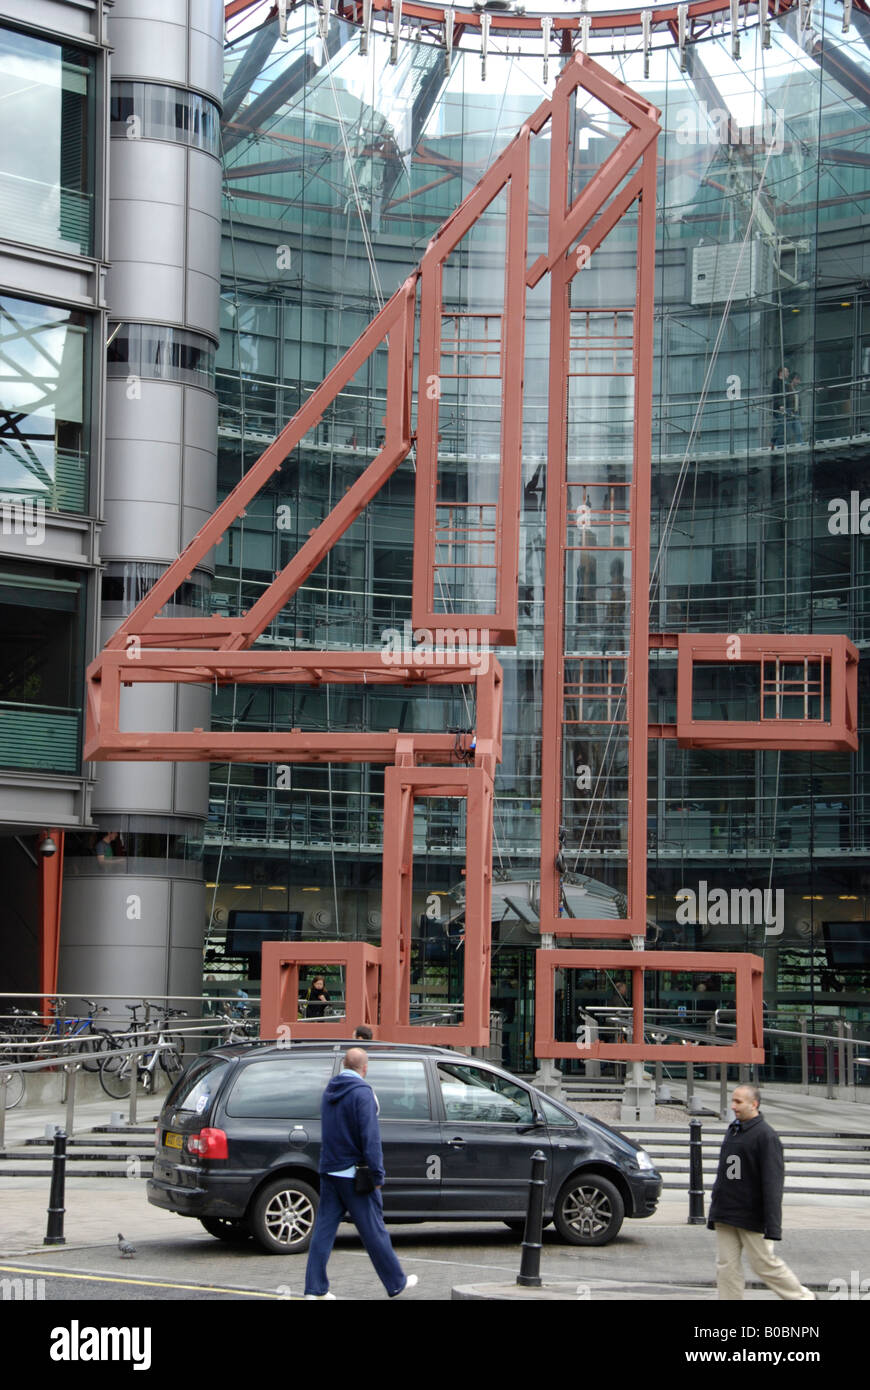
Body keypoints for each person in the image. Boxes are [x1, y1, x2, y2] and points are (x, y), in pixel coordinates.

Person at [304, 1048, 418, 1299]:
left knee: (323, 1231)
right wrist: (377, 1175)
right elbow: (370, 1138)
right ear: (364, 1068)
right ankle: (396, 1282)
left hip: (329, 1170)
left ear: (345, 1065)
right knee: (373, 1230)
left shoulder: (329, 1090)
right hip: (354, 1175)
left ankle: (314, 1289)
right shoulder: (363, 1093)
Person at [708, 1083, 815, 1300]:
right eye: (733, 1101)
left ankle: (804, 1298)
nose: (733, 1106)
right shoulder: (734, 1130)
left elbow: (773, 1183)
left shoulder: (766, 1136)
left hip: (752, 1216)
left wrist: (772, 1225)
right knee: (726, 1267)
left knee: (764, 1264)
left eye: (738, 1102)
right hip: (726, 1213)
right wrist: (715, 1210)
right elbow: (725, 1175)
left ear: (754, 1104)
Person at [770, 365, 789, 448]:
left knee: (785, 425)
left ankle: (778, 443)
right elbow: (776, 394)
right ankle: (773, 441)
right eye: (786, 371)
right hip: (778, 408)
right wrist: (780, 405)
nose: (788, 373)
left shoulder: (785, 383)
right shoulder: (776, 381)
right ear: (781, 373)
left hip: (785, 408)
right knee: (783, 425)